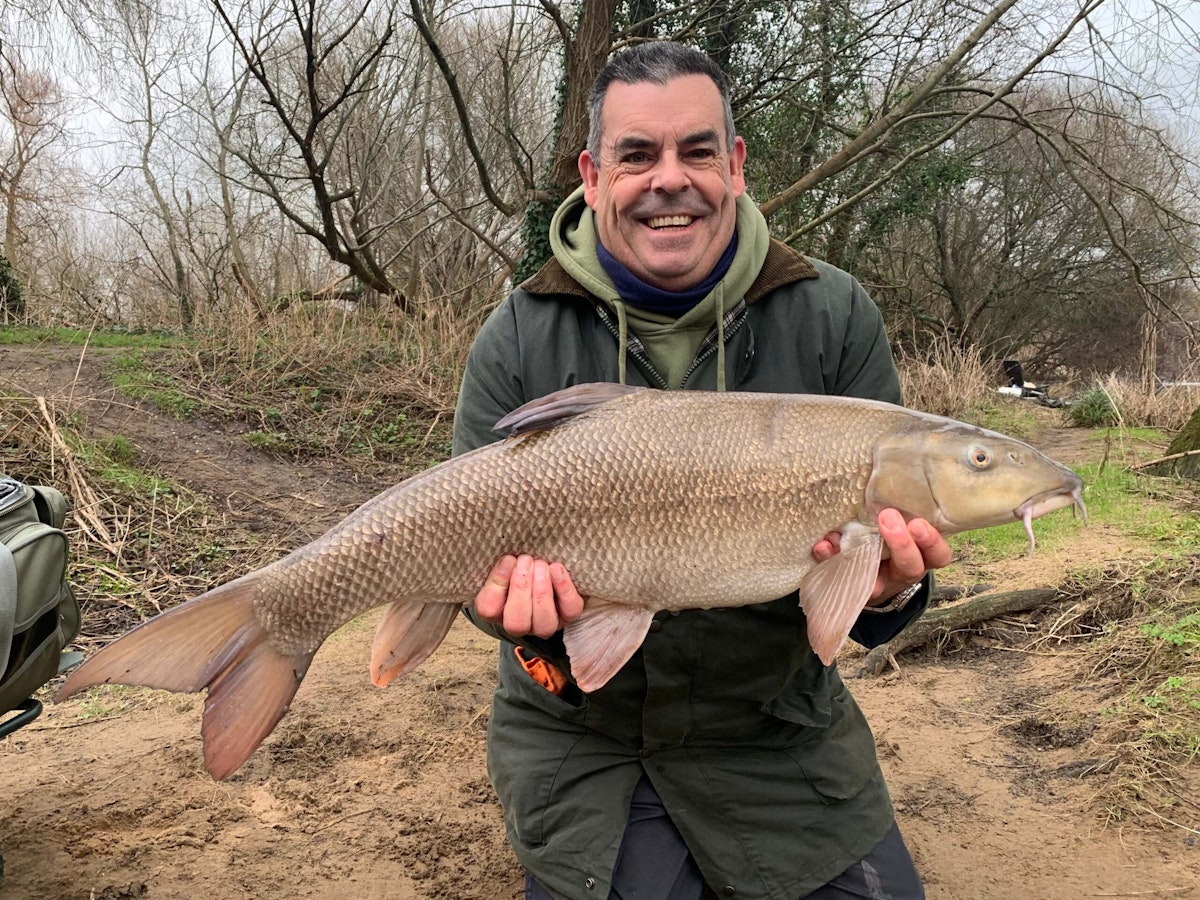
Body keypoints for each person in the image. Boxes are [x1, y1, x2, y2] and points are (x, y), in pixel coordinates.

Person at [451, 40, 951, 900]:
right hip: (589, 740)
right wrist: (520, 622)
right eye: (637, 155)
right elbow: (467, 568)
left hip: (777, 734)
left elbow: (870, 614)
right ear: (595, 174)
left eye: (697, 151)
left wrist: (889, 591)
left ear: (737, 165)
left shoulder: (833, 315)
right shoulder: (520, 334)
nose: (668, 179)